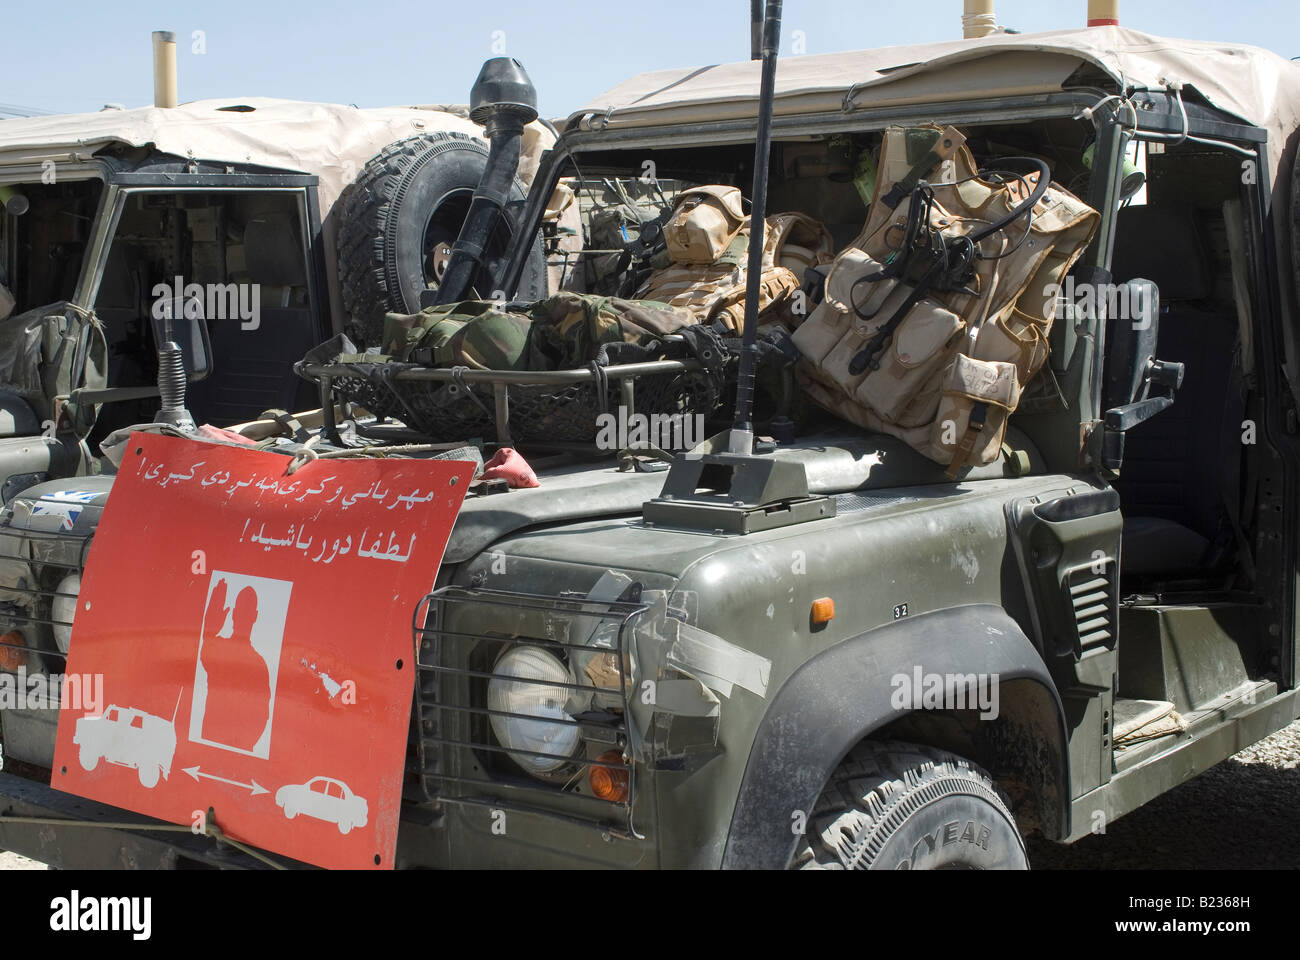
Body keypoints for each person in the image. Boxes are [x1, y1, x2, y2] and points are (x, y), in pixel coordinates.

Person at [199, 579, 271, 751]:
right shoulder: (259, 665)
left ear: (233, 613)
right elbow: (263, 716)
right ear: (256, 616)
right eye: (244, 611)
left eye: (245, 611)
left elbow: (262, 715)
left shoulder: (219, 650)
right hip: (229, 747)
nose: (245, 616)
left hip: (216, 744)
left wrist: (210, 630)